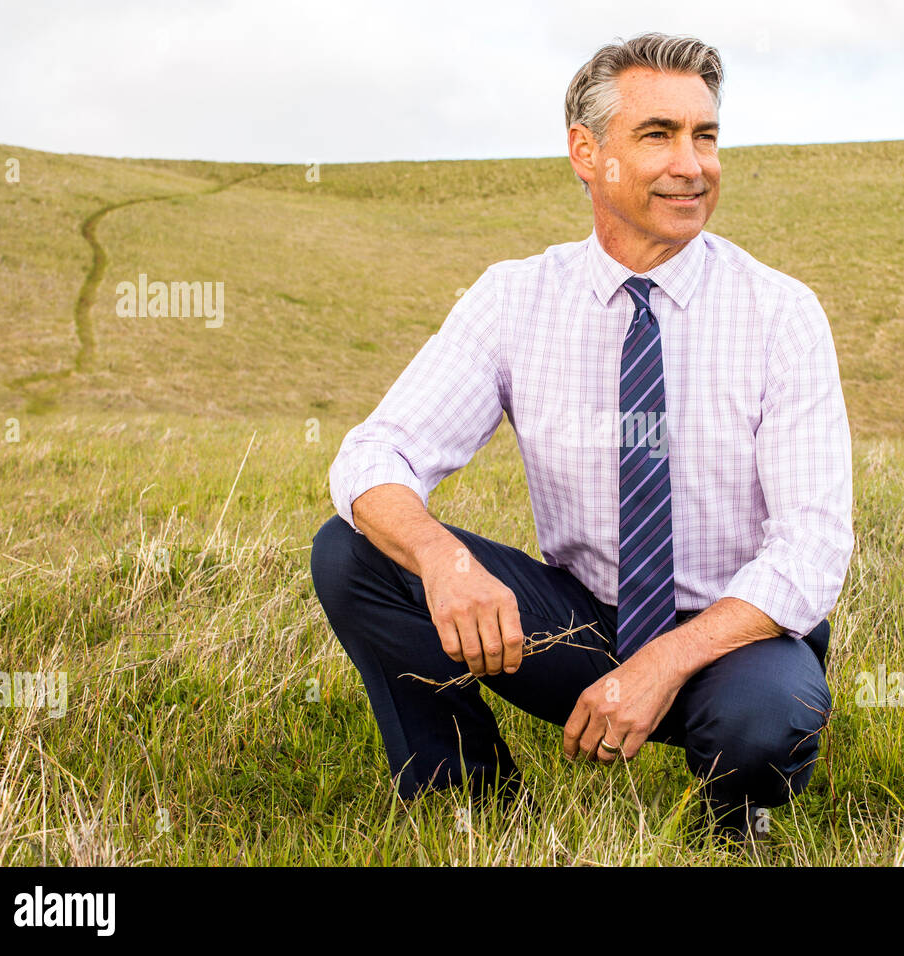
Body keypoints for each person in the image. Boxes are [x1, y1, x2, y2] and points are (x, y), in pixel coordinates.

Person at [310, 31, 854, 848]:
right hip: (579, 625)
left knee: (767, 717)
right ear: (586, 152)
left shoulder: (781, 313)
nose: (693, 164)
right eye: (658, 135)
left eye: (705, 136)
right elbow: (375, 454)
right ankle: (471, 804)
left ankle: (730, 826)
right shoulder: (515, 297)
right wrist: (445, 562)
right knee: (354, 551)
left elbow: (810, 551)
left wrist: (663, 663)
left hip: (731, 637)